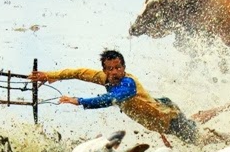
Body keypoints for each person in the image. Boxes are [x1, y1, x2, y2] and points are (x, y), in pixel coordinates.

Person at [29, 50, 203, 144]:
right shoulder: (104, 77)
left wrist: (79, 101)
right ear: (104, 70)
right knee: (197, 123)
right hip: (159, 115)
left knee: (201, 140)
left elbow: (110, 99)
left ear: (124, 67)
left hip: (169, 119)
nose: (114, 72)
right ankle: (218, 111)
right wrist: (52, 75)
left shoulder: (128, 84)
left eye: (118, 68)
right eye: (110, 69)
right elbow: (78, 73)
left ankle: (228, 134)